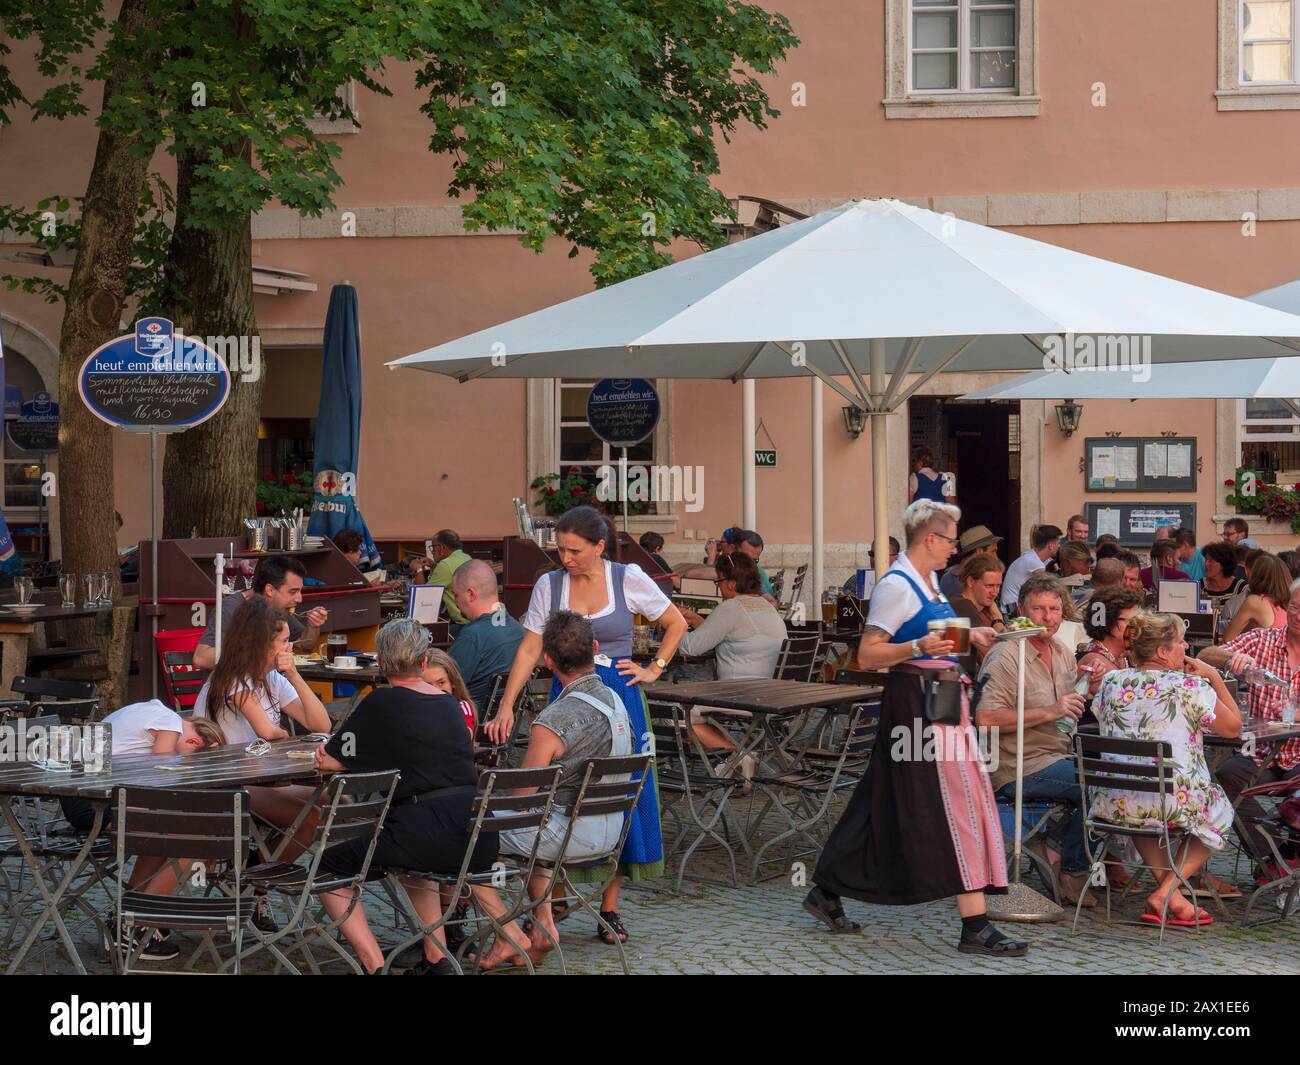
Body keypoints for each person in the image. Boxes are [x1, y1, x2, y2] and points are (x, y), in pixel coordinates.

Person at [805, 499, 1022, 957]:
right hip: (919, 702)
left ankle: (826, 887)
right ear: (930, 539)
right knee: (955, 801)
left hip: (938, 698)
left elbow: (932, 637)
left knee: (882, 796)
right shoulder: (897, 584)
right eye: (949, 542)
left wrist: (971, 636)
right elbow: (869, 653)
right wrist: (919, 645)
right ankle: (975, 925)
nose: (953, 551)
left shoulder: (927, 581)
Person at [488, 505, 686, 944]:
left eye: (574, 550)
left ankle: (610, 908)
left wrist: (654, 667)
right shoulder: (549, 584)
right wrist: (507, 704)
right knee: (561, 791)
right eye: (560, 549)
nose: (566, 558)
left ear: (600, 546)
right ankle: (552, 900)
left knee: (616, 791)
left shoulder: (627, 576)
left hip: (620, 694)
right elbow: (528, 649)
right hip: (567, 692)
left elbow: (675, 622)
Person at [312, 619, 497, 975]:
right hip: (477, 829)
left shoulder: (382, 702)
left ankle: (373, 965)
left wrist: (327, 754)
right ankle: (437, 957)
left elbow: (333, 760)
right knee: (416, 867)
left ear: (380, 665)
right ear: (424, 663)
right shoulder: (446, 702)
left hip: (425, 829)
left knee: (326, 869)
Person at [473, 611, 635, 970]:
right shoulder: (618, 702)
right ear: (594, 648)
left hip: (566, 836)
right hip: (611, 835)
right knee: (534, 822)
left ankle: (505, 932)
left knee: (466, 833)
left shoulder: (553, 720)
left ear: (547, 661)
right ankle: (544, 926)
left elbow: (523, 798)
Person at [1094, 612, 1240, 925]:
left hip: (1114, 799)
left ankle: (1169, 896)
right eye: (1180, 641)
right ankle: (1167, 892)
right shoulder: (1189, 686)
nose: (1186, 646)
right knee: (1220, 810)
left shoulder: (1110, 680)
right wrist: (1214, 677)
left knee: (1142, 798)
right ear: (1162, 651)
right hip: (1172, 801)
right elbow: (1233, 728)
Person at [56, 701, 226, 961]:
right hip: (95, 805)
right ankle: (136, 924)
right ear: (195, 743)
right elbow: (159, 779)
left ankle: (129, 915)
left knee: (169, 830)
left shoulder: (157, 711)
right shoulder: (170, 724)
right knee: (199, 838)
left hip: (83, 797)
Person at [976, 573, 1094, 909]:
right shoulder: (1007, 656)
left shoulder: (1061, 652)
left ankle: (1051, 844)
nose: (1047, 617)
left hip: (1057, 755)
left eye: (1054, 609)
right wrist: (1050, 710)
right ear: (1020, 610)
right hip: (1015, 765)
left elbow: (1067, 708)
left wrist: (1090, 686)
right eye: (1039, 609)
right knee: (1095, 785)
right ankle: (1071, 869)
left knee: (1112, 777)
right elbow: (985, 719)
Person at [193, 597, 332, 867]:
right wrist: (283, 734)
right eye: (284, 642)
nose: (289, 647)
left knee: (339, 798)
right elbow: (267, 732)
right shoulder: (233, 677)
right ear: (261, 644)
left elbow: (321, 725)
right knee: (313, 818)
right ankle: (256, 877)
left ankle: (256, 865)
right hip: (225, 780)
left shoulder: (272, 677)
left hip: (256, 776)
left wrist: (293, 674)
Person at [1198, 576, 1300, 879]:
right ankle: (1274, 857)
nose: (1298, 616)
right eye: (1295, 607)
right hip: (1263, 750)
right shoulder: (1264, 639)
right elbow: (1205, 656)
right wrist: (1231, 659)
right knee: (1228, 776)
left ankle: (1289, 854)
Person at [676, 553, 787, 778]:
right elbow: (737, 635)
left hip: (738, 696)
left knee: (674, 715)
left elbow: (689, 647)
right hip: (771, 694)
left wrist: (674, 623)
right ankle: (736, 756)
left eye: (719, 582)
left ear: (732, 583)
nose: (719, 588)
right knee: (693, 710)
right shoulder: (766, 607)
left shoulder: (731, 608)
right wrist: (699, 621)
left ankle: (737, 755)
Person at [192, 555, 327, 670]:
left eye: (300, 591)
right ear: (270, 590)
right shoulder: (231, 608)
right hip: (228, 692)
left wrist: (313, 626)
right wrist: (257, 652)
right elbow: (201, 658)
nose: (299, 599)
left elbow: (306, 645)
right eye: (293, 591)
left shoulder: (277, 609)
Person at [447, 560, 525, 709]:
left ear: (470, 594)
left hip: (472, 722)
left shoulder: (471, 636)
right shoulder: (516, 628)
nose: (456, 602)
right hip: (508, 721)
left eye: (456, 595)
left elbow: (446, 688)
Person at [1077, 586, 1142, 699]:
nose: (1139, 626)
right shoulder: (1094, 660)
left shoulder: (1121, 657)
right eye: (1133, 621)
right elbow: (1132, 701)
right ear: (1109, 623)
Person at [949, 552, 1005, 676]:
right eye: (989, 586)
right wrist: (997, 620)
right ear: (970, 582)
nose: (994, 592)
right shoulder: (963, 606)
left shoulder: (962, 604)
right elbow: (997, 656)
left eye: (998, 586)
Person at [1220, 552, 1290, 642]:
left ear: (1255, 575)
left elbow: (1228, 640)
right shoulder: (1291, 600)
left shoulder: (1255, 602)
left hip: (1263, 654)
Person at [1000, 524, 1062, 613]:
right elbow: (1050, 586)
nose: (1059, 546)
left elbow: (1048, 563)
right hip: (1011, 614)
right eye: (1058, 543)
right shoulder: (1033, 562)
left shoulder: (1032, 555)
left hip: (1013, 609)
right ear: (1051, 545)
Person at [416, 531, 473, 626]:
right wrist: (434, 566)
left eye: (432, 547)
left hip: (462, 625)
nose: (432, 551)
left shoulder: (445, 565)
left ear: (441, 548)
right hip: (473, 620)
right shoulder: (466, 557)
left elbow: (422, 597)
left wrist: (417, 569)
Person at [939, 524, 1002, 601]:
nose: (996, 557)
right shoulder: (963, 582)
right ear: (979, 551)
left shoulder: (948, 576)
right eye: (993, 551)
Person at [424, 648, 478, 736]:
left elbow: (465, 737)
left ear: (453, 683)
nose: (435, 691)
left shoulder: (462, 707)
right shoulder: (417, 709)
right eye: (428, 685)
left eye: (441, 683)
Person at [1201, 541, 1247, 608]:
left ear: (1224, 563)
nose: (1206, 564)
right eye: (1206, 560)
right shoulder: (1200, 587)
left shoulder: (1241, 588)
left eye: (1211, 561)